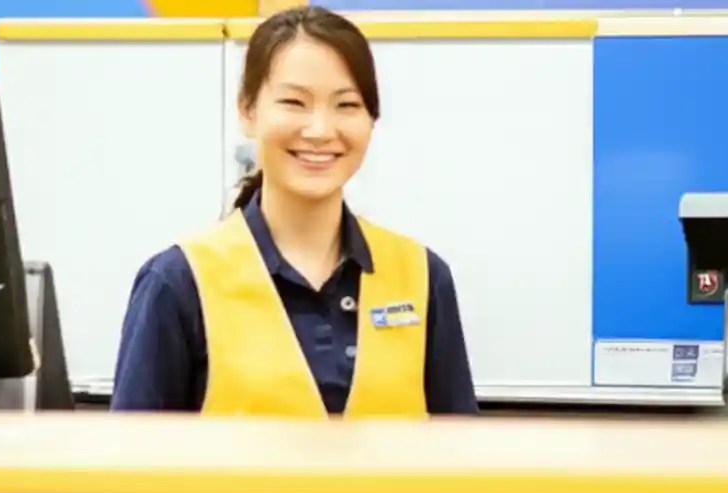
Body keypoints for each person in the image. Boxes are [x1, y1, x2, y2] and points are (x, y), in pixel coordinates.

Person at [111, 6, 477, 418]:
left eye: (346, 104)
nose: (320, 130)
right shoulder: (178, 283)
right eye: (293, 102)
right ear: (248, 110)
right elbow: (129, 470)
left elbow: (461, 462)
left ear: (371, 119)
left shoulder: (423, 277)